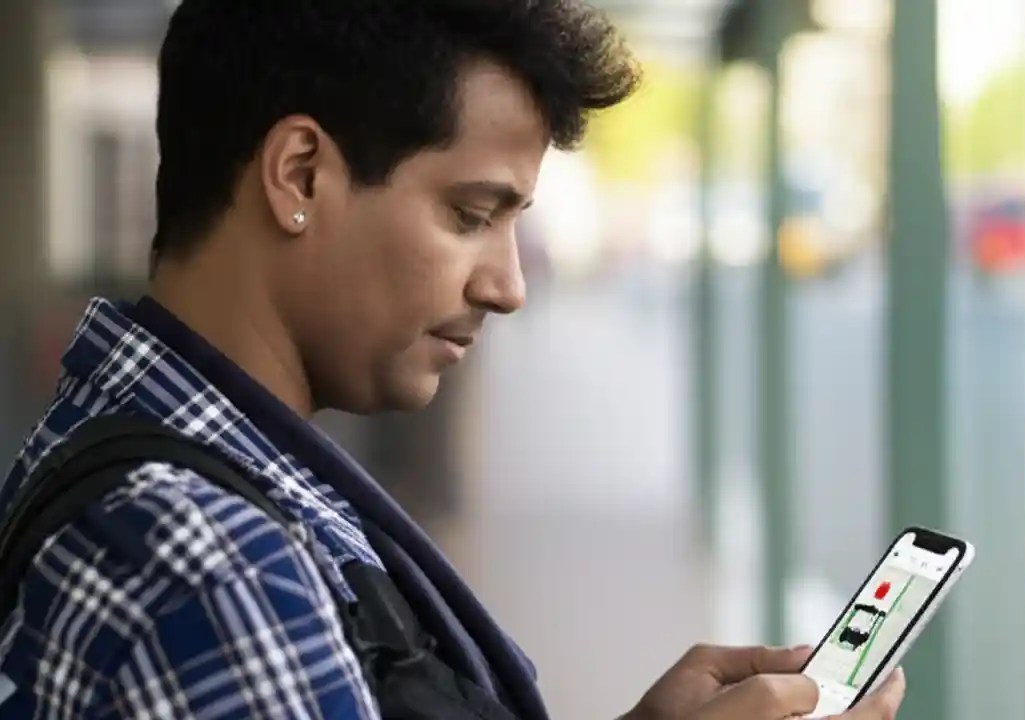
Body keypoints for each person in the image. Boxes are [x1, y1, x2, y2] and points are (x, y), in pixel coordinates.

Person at [0, 1, 906, 719]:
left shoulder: (125, 442)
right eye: (472, 216)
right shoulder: (214, 563)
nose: (509, 286)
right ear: (302, 175)